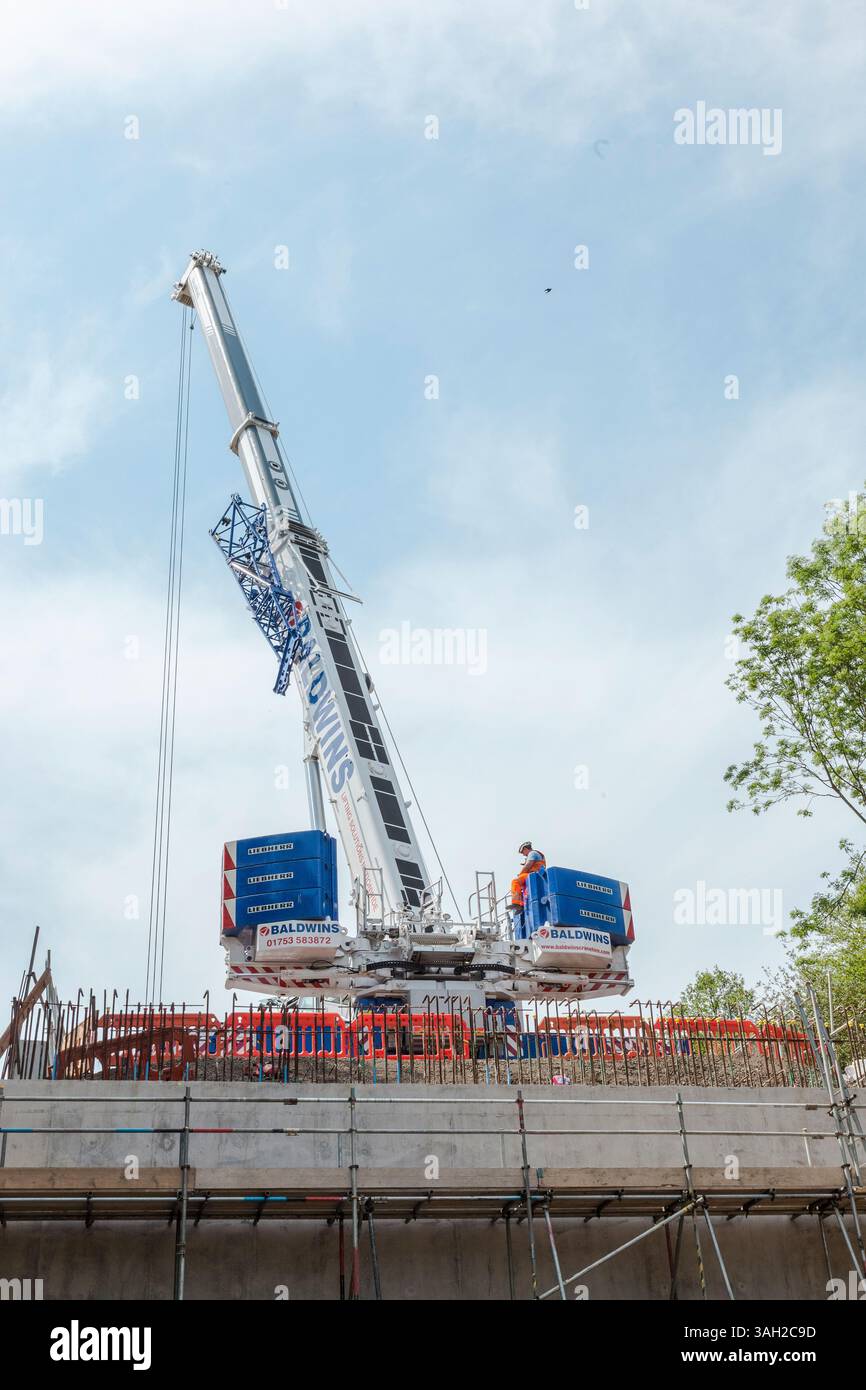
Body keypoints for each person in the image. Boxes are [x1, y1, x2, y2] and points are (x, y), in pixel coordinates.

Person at [510, 841, 546, 911]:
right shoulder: (535, 854)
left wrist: (520, 874)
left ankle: (516, 903)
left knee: (515, 882)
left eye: (523, 852)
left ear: (526, 849)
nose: (523, 855)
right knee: (524, 889)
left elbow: (528, 865)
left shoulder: (532, 853)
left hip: (534, 875)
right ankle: (521, 905)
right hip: (536, 875)